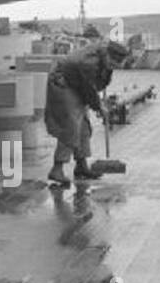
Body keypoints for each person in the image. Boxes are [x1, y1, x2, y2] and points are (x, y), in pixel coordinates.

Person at [44, 39, 132, 186]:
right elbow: (89, 89)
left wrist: (99, 99)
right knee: (71, 125)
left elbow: (99, 81)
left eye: (116, 66)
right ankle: (57, 169)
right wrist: (99, 107)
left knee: (84, 125)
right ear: (108, 56)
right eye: (113, 64)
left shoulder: (104, 55)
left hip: (76, 83)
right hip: (62, 81)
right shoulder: (88, 63)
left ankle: (81, 166)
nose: (113, 67)